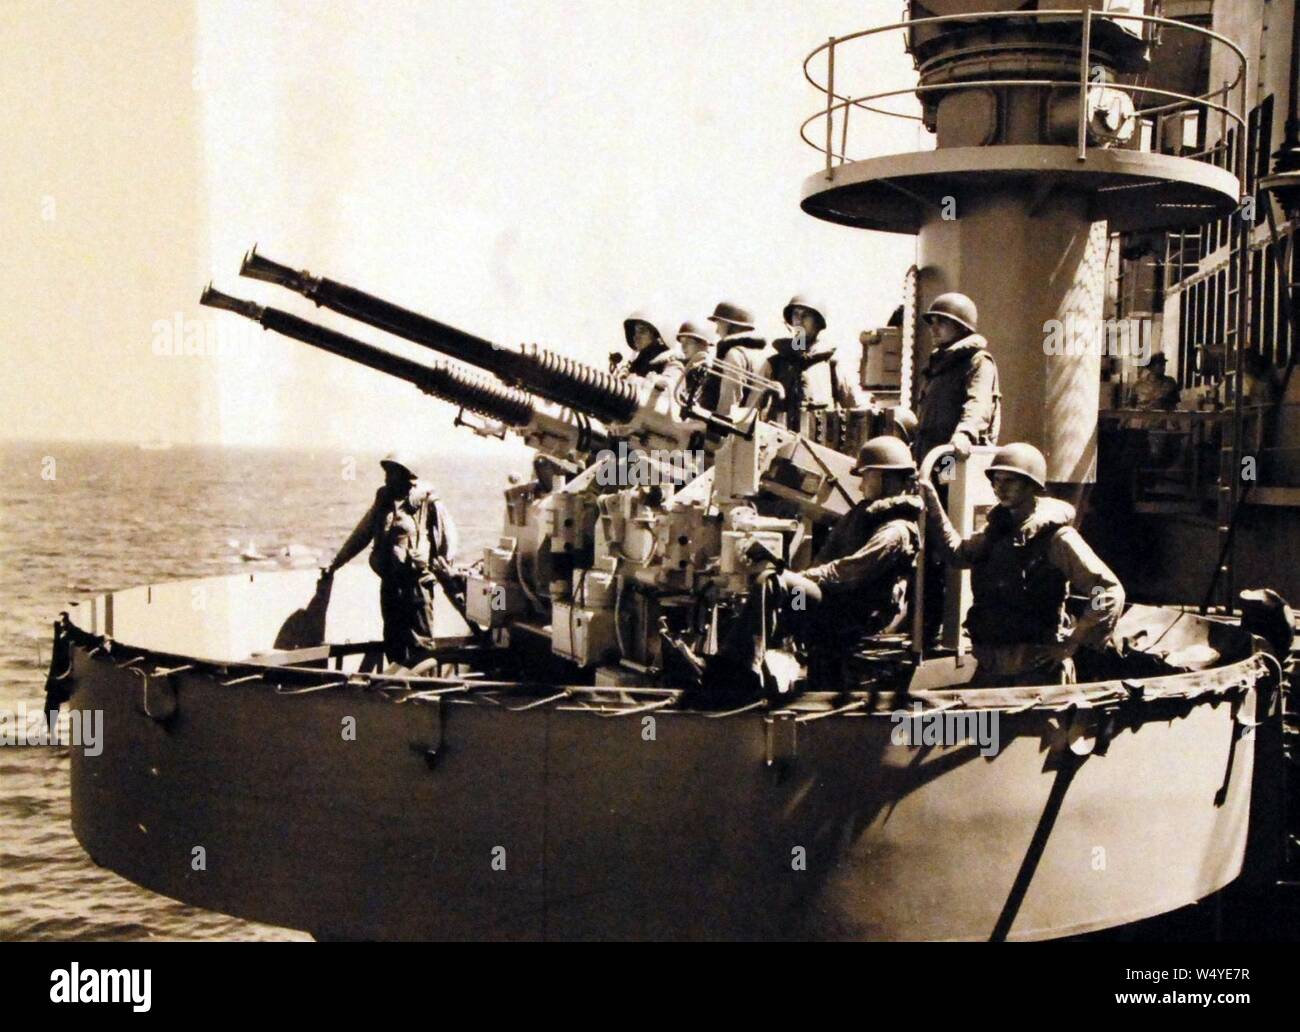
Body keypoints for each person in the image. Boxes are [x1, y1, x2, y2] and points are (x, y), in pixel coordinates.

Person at [665, 436, 921, 697]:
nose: (861, 482)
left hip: (850, 617)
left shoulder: (896, 532)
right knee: (763, 598)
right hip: (833, 606)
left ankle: (737, 676)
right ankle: (727, 669)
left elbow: (850, 573)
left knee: (774, 582)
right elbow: (829, 562)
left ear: (888, 479)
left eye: (868, 475)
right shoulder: (864, 516)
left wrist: (802, 577)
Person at [917, 442, 1124, 686]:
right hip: (991, 666)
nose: (1000, 488)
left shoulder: (1057, 538)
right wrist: (931, 499)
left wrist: (1073, 643)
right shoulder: (997, 531)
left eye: (1010, 481)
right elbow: (957, 554)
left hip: (1036, 672)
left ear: (1031, 486)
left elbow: (1106, 590)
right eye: (996, 480)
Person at [323, 451, 460, 668]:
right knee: (393, 642)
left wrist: (442, 573)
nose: (387, 478)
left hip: (416, 586)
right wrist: (336, 563)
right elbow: (362, 534)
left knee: (420, 645)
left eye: (392, 473)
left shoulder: (427, 501)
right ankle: (397, 692)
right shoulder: (384, 501)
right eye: (386, 472)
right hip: (390, 584)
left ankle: (421, 693)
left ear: (408, 476)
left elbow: (448, 539)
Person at [914, 292, 1001, 462]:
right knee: (928, 487)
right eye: (932, 322)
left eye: (942, 321)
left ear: (961, 327)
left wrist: (965, 434)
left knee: (948, 488)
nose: (933, 328)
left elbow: (978, 403)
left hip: (952, 455)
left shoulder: (978, 361)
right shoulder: (939, 364)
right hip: (929, 454)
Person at [759, 295, 860, 429]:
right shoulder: (773, 364)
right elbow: (752, 409)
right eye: (796, 314)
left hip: (818, 445)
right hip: (780, 443)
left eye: (806, 316)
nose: (799, 321)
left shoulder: (831, 364)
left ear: (817, 322)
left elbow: (856, 408)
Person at [708, 300, 771, 412]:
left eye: (720, 325)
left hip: (730, 426)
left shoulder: (735, 355)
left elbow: (726, 409)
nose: (717, 331)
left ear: (731, 327)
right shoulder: (761, 357)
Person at [616, 312, 683, 380]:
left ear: (656, 335)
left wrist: (633, 379)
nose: (635, 336)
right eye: (634, 332)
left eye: (642, 331)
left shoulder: (672, 365)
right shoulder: (636, 365)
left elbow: (666, 387)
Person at [676, 320, 719, 411]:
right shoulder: (684, 365)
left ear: (704, 344)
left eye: (689, 342)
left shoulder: (710, 372)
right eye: (682, 341)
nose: (683, 346)